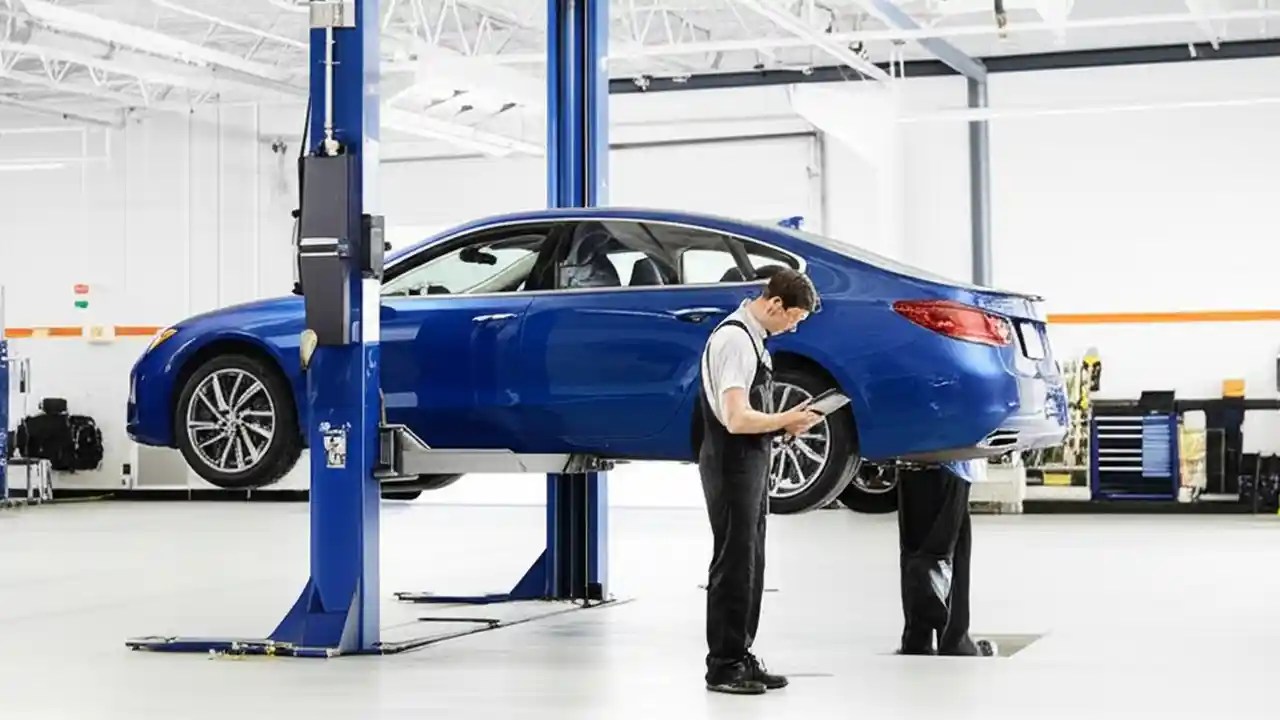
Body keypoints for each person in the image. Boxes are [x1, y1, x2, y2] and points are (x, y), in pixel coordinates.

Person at [695, 267, 823, 695]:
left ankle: (741, 654)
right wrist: (786, 418)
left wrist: (785, 424)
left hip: (750, 462)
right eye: (794, 318)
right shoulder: (735, 340)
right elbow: (735, 418)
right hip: (732, 463)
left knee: (751, 561)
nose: (794, 326)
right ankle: (723, 664)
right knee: (733, 562)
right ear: (774, 305)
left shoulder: (754, 340)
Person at [896, 459, 997, 657]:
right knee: (950, 538)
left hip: (910, 451)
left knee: (914, 537)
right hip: (951, 452)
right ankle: (952, 634)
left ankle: (917, 635)